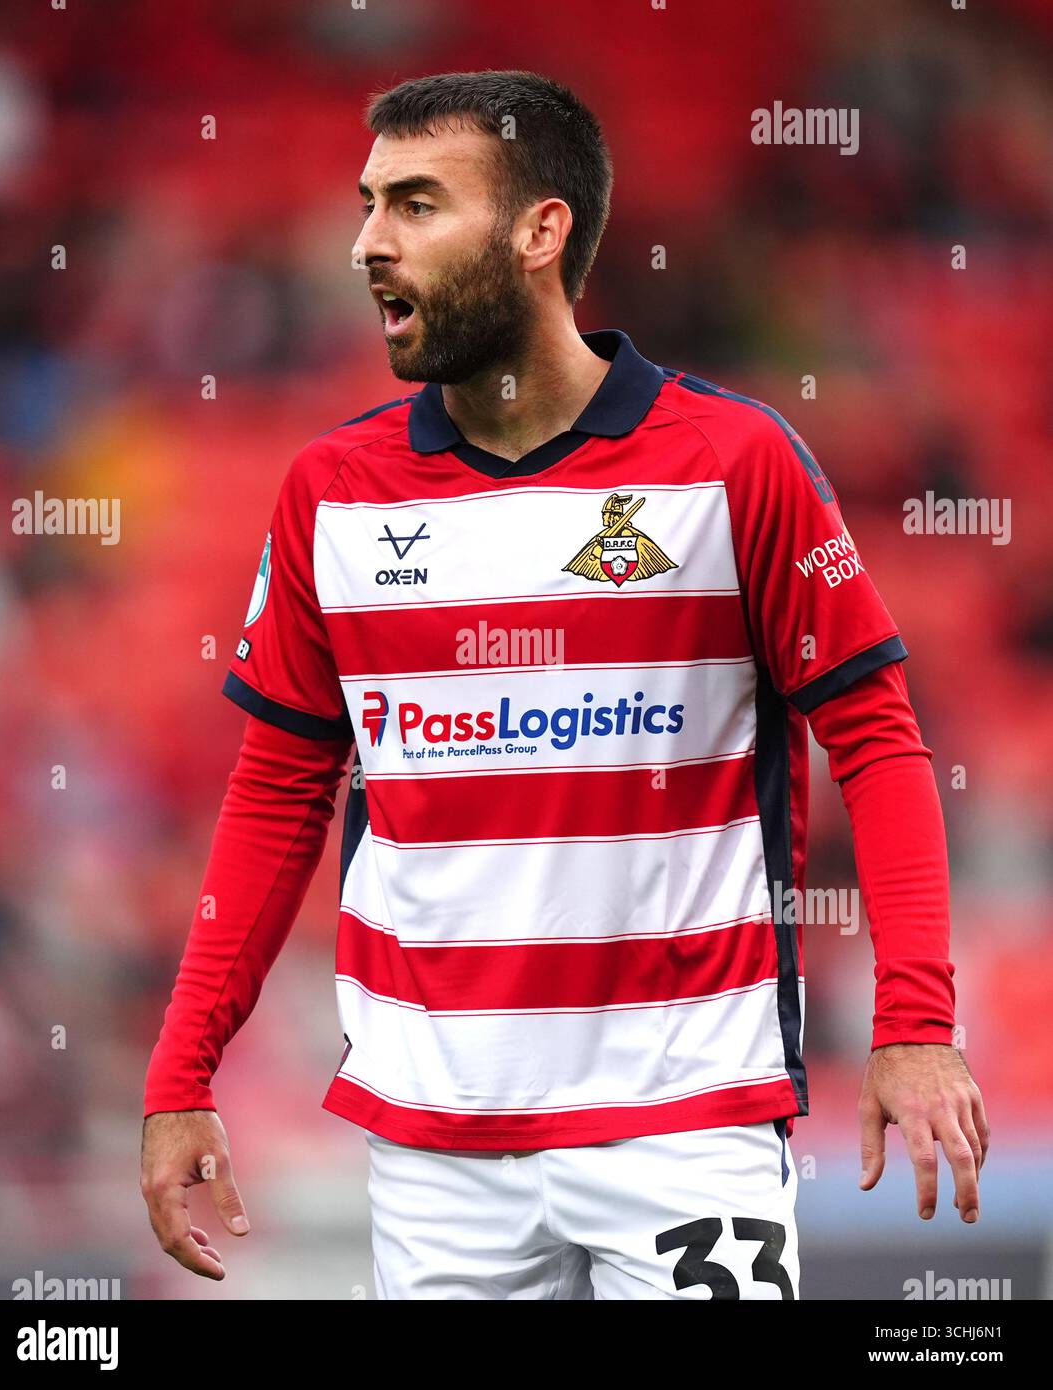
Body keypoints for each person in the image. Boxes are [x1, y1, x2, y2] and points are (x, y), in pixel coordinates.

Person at [141, 69, 988, 1300]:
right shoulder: (331, 493)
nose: (369, 240)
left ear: (540, 232)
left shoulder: (736, 463)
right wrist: (179, 1075)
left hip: (687, 1119)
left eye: (418, 204)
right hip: (435, 1144)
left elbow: (879, 743)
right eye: (369, 203)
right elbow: (278, 791)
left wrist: (916, 1027)